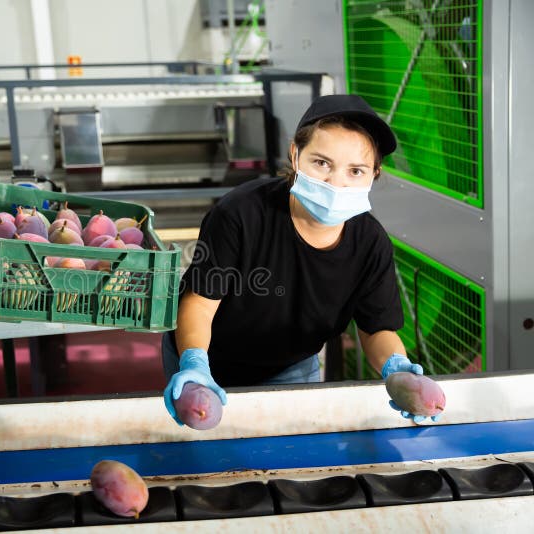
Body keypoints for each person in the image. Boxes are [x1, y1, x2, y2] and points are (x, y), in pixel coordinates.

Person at [162, 94, 442, 426]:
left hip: (291, 367)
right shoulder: (241, 214)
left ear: (374, 174)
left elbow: (376, 327)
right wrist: (194, 364)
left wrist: (396, 368)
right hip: (209, 358)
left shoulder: (370, 243)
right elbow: (201, 302)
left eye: (355, 170)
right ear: (296, 155)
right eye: (322, 163)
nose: (336, 182)